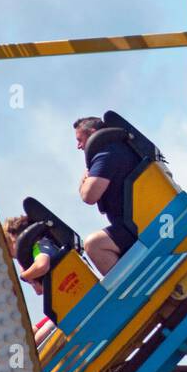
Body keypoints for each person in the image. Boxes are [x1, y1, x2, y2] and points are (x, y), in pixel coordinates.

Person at [74, 116, 140, 275]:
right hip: (139, 220)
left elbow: (89, 196)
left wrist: (84, 181)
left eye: (80, 140)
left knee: (94, 245)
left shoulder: (107, 153)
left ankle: (127, 294)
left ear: (92, 133)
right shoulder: (120, 148)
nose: (78, 146)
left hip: (137, 225)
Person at [2, 214, 59, 348]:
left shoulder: (39, 245)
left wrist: (25, 276)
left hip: (72, 300)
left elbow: (42, 265)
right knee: (29, 334)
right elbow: (40, 290)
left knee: (37, 340)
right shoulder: (31, 258)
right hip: (59, 305)